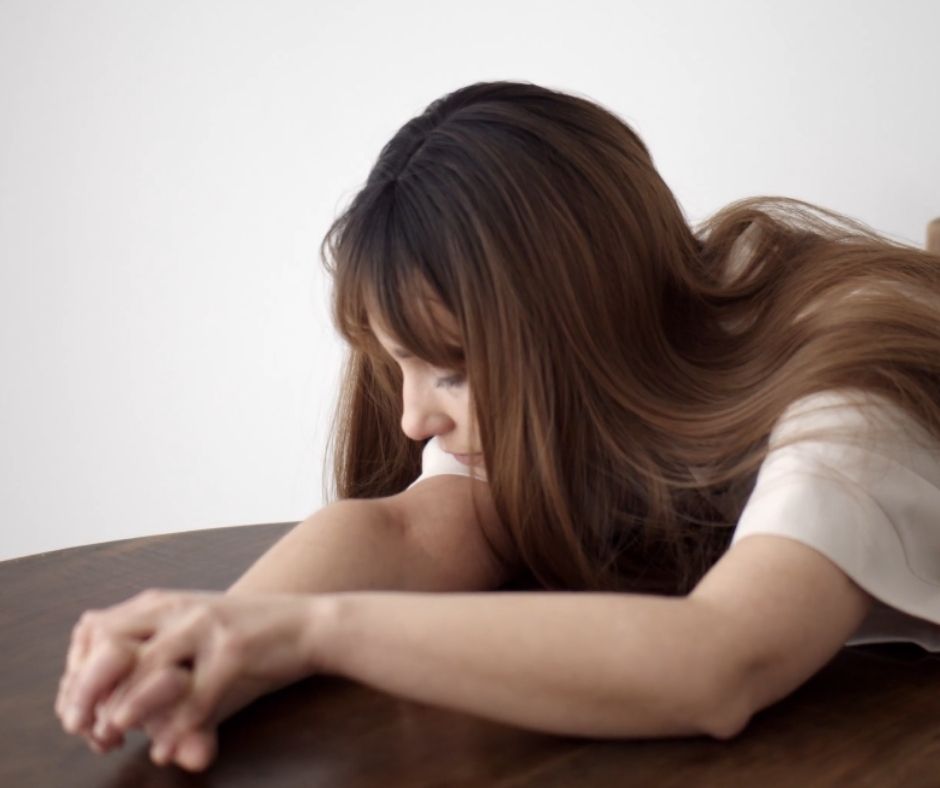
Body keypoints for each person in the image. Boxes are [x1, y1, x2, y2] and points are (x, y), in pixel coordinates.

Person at [55, 79, 940, 773]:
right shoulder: (597, 373)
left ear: (575, 327)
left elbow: (721, 664)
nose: (412, 420)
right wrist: (211, 643)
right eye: (399, 365)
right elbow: (411, 533)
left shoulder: (849, 378)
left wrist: (311, 631)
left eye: (449, 370)